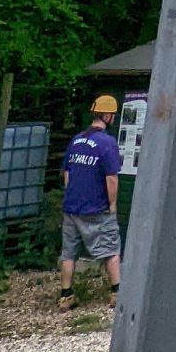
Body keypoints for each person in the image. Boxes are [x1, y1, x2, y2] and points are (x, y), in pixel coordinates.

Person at [58, 95, 123, 308]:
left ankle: (65, 295)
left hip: (71, 207)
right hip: (97, 208)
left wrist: (72, 195)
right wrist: (112, 204)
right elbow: (111, 178)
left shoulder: (76, 140)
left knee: (68, 253)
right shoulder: (107, 143)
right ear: (106, 115)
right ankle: (116, 292)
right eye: (112, 114)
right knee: (111, 249)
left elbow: (67, 173)